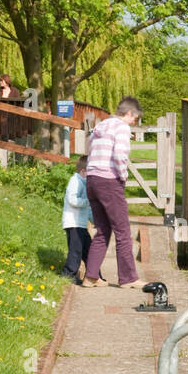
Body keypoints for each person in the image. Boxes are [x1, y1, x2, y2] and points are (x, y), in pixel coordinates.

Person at [83, 96, 143, 289]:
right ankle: (129, 278)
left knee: (102, 230)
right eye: (135, 118)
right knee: (123, 230)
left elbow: (91, 152)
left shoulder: (100, 127)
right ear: (128, 114)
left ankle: (91, 276)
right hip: (109, 180)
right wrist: (123, 176)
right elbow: (119, 155)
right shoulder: (122, 127)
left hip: (92, 179)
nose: (134, 123)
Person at [61, 157, 91, 284]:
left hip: (81, 224)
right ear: (83, 171)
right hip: (73, 223)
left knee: (89, 250)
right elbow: (72, 200)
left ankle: (94, 274)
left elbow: (88, 210)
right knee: (76, 251)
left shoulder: (84, 183)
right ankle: (68, 274)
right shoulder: (75, 181)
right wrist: (87, 201)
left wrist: (96, 221)